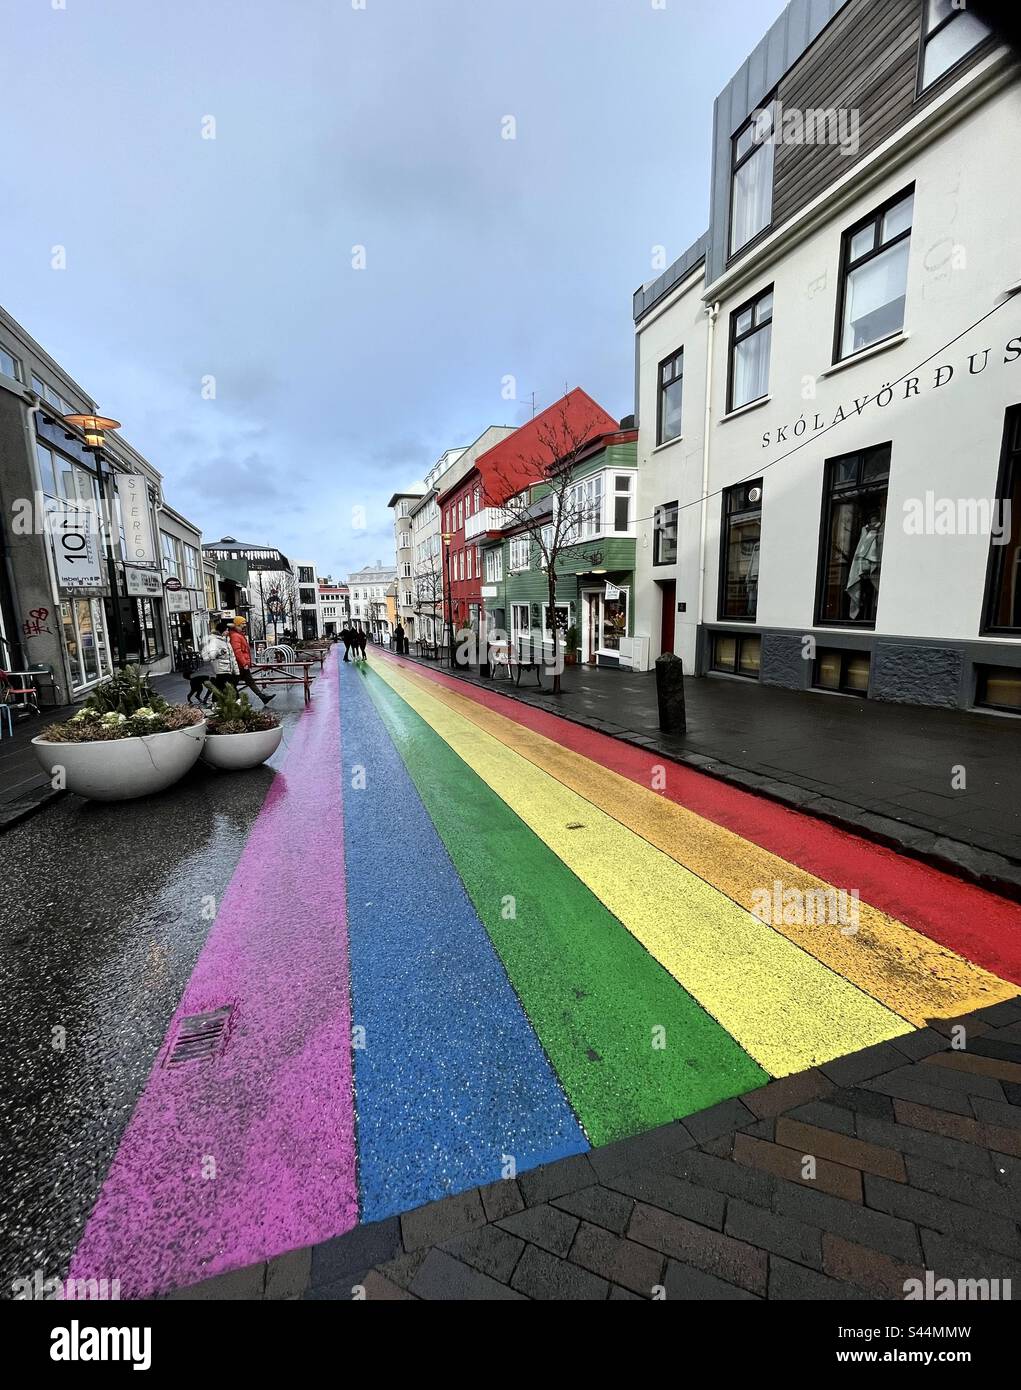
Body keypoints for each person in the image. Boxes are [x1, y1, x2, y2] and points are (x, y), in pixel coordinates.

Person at [228, 617, 275, 705]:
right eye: (243, 624)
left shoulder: (239, 635)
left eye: (245, 623)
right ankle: (236, 702)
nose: (245, 625)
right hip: (239, 666)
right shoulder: (236, 636)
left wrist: (248, 662)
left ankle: (262, 697)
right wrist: (244, 663)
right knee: (233, 685)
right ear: (238, 624)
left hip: (241, 665)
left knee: (249, 682)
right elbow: (237, 651)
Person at [202, 620, 240, 698]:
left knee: (220, 688)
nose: (228, 631)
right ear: (222, 630)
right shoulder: (215, 641)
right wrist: (220, 652)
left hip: (228, 669)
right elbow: (212, 655)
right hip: (221, 669)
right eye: (226, 630)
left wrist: (236, 671)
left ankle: (216, 704)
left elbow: (232, 657)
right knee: (232, 688)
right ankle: (237, 702)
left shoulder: (227, 641)